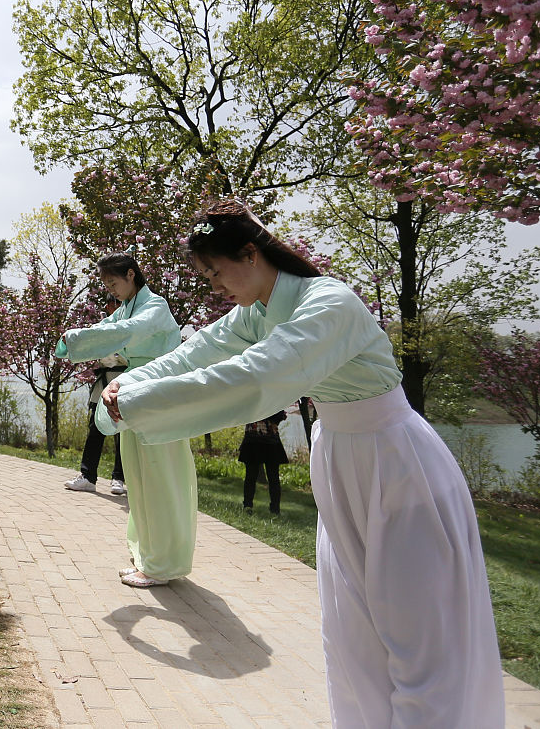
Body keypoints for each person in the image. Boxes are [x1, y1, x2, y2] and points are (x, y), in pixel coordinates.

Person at [99, 201, 504, 727]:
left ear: (251, 253)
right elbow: (197, 353)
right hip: (337, 458)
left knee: (418, 630)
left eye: (218, 273)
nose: (216, 287)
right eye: (207, 277)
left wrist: (140, 401)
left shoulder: (327, 302)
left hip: (395, 463)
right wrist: (128, 381)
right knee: (351, 627)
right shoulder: (257, 311)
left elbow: (261, 372)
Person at [56, 253, 194, 588]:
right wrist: (72, 341)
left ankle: (163, 562)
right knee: (138, 474)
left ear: (131, 275)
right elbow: (108, 327)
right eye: (105, 284)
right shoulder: (128, 306)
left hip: (160, 388)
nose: (111, 290)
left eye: (113, 282)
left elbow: (126, 331)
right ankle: (148, 555)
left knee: (158, 473)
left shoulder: (154, 306)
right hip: (138, 387)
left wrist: (77, 340)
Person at [64, 294, 127, 495]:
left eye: (116, 303)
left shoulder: (131, 327)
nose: (112, 307)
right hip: (104, 383)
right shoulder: (103, 327)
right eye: (110, 303)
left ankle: (119, 478)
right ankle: (88, 475)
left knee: (122, 431)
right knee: (95, 429)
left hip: (125, 381)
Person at [238, 410, 289, 515]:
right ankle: (249, 506)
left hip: (266, 440)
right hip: (257, 439)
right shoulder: (257, 399)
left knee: (270, 477)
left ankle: (273, 508)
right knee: (253, 477)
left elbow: (281, 415)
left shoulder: (265, 399)